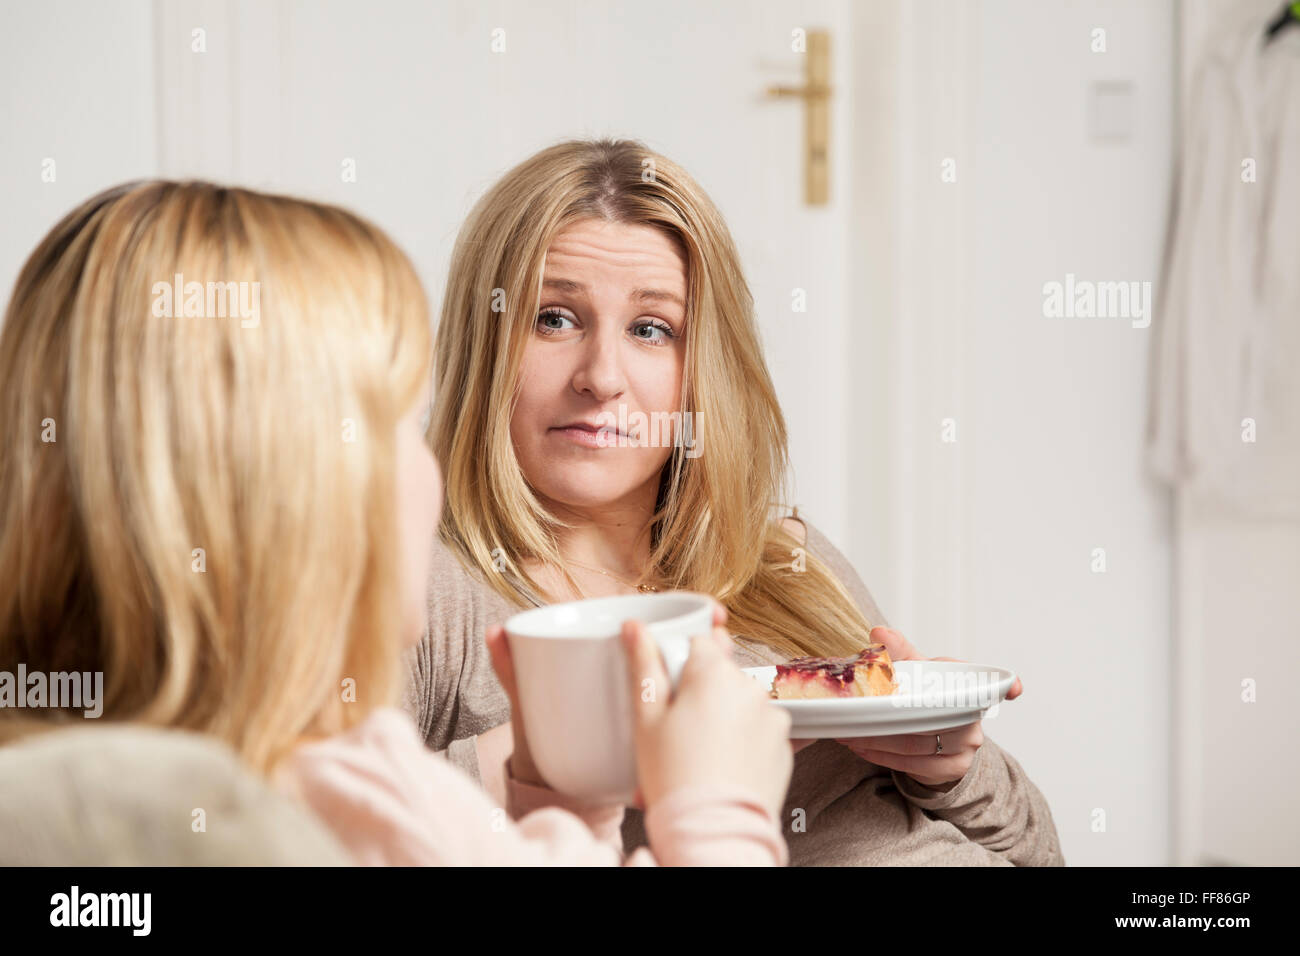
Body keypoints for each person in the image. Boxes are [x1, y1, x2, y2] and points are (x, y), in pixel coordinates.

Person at [0, 180, 792, 866]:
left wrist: (557, 794)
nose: (429, 460)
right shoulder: (332, 816)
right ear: (286, 497)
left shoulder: (353, 775)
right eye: (391, 421)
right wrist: (717, 814)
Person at [408, 138, 1065, 865]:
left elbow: (1040, 852)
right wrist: (568, 748)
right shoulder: (426, 586)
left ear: (702, 370)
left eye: (651, 329)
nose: (601, 377)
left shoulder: (782, 557)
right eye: (554, 318)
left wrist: (955, 767)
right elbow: (323, 836)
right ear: (485, 338)